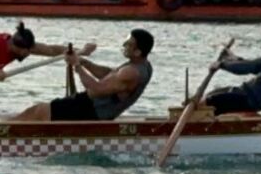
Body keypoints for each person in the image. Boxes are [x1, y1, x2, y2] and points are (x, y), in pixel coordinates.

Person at [11, 29, 154, 122]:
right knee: (38, 110)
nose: (124, 44)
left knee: (39, 111)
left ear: (137, 52)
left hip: (90, 110)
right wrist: (84, 62)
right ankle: (7, 125)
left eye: (129, 44)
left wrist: (77, 66)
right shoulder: (142, 65)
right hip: (90, 107)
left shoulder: (131, 72)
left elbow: (96, 89)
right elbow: (109, 75)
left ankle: (2, 131)